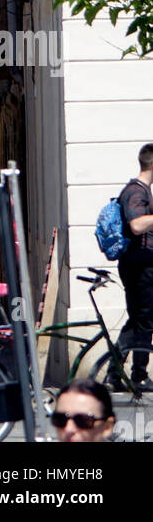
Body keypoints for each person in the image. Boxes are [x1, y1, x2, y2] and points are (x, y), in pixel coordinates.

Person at [116, 143, 153, 388]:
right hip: (139, 267)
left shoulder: (140, 191)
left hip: (140, 265)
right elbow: (137, 225)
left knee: (138, 319)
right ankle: (139, 375)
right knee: (145, 320)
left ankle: (113, 370)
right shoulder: (136, 192)